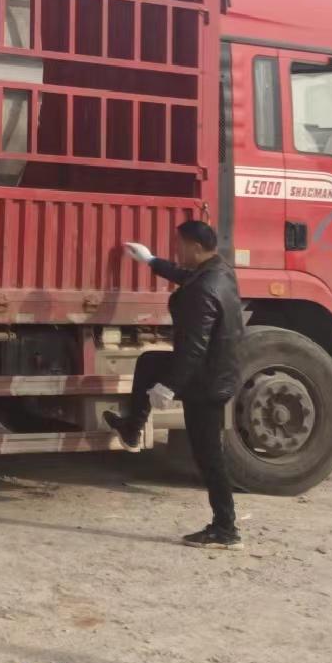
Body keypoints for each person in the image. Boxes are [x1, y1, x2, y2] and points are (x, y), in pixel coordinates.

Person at [103, 219, 245, 548]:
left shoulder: (203, 289)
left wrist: (168, 386)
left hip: (205, 381)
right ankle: (132, 427)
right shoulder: (219, 271)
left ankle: (225, 529)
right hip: (215, 371)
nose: (177, 250)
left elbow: (194, 348)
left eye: (180, 245)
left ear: (195, 247)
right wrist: (151, 261)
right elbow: (185, 276)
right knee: (149, 361)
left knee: (209, 456)